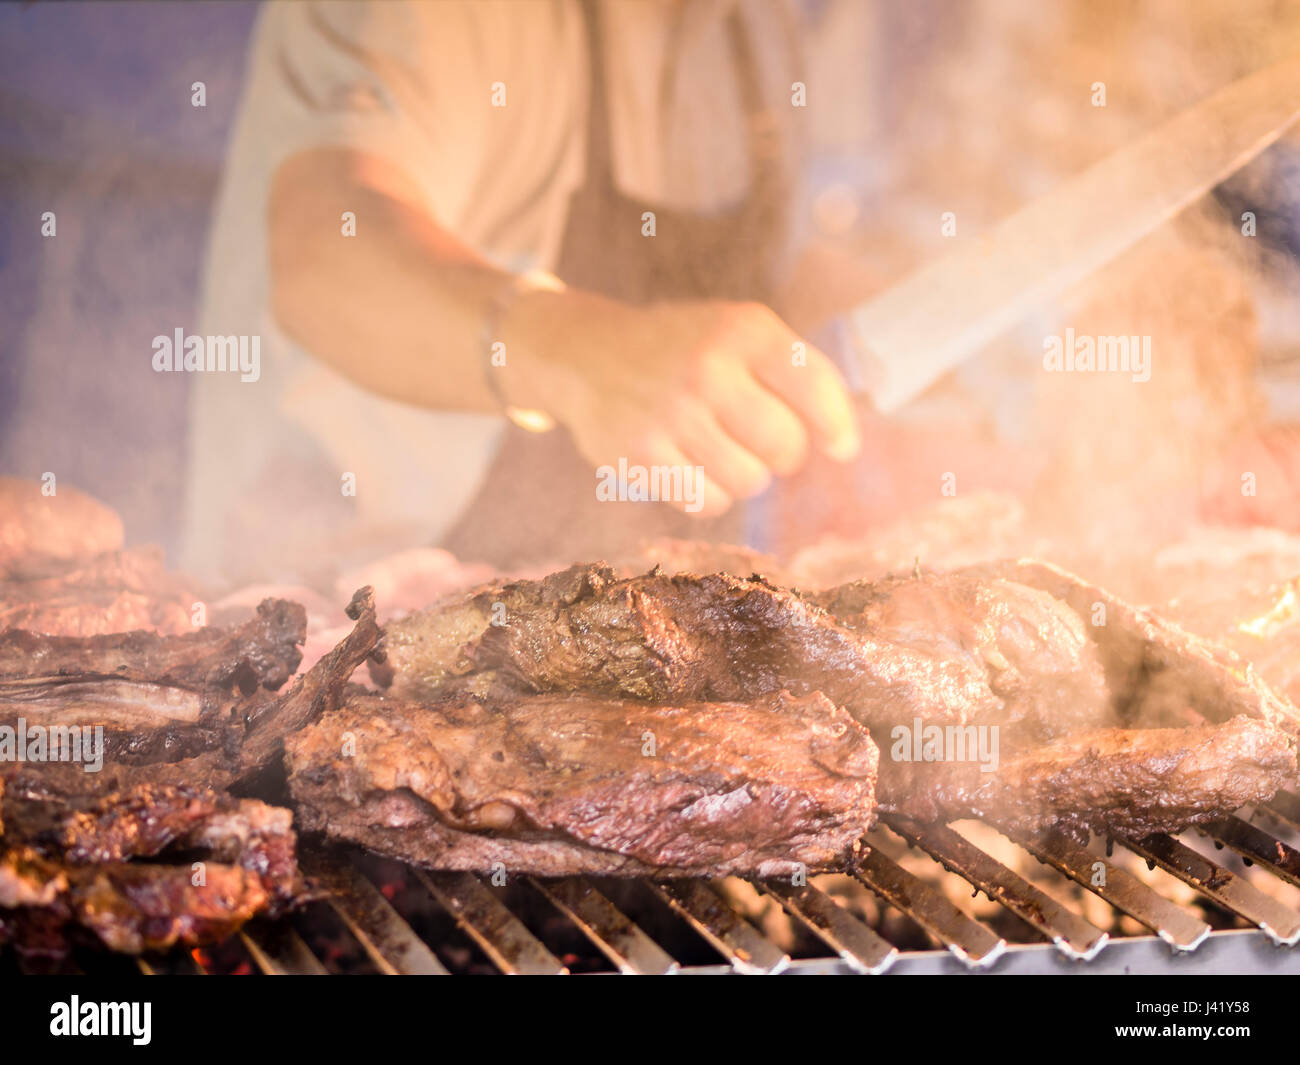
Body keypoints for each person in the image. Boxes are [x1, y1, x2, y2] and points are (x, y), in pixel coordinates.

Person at [182, 0, 870, 587]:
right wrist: (587, 353)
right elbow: (326, 250)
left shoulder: (758, 29)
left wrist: (868, 322)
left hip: (636, 668)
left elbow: (748, 293)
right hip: (343, 638)